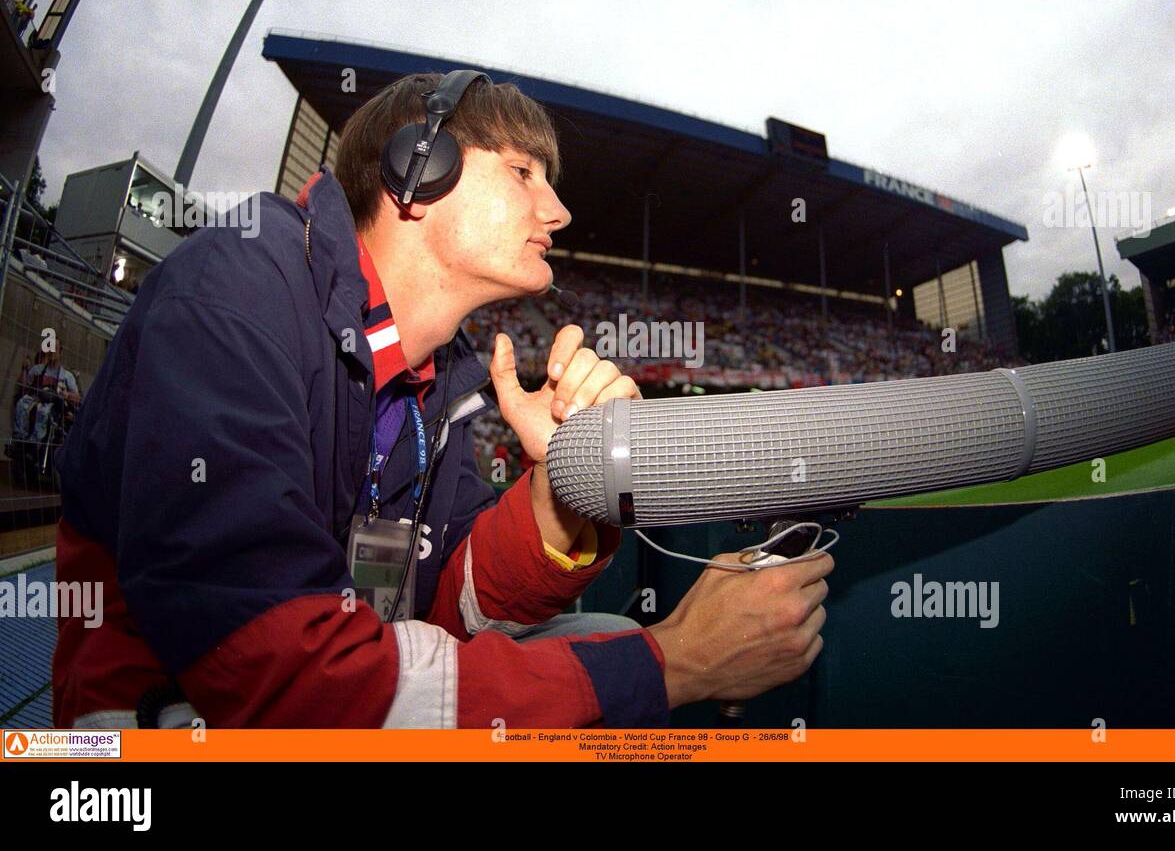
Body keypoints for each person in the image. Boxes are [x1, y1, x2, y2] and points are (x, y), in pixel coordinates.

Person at [52, 71, 831, 728]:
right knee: (620, 652)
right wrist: (672, 664)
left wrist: (558, 486)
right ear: (417, 169)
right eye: (525, 173)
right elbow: (280, 675)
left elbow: (451, 600)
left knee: (600, 629)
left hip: (314, 681)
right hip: (155, 729)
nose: (556, 212)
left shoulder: (439, 376)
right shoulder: (235, 290)